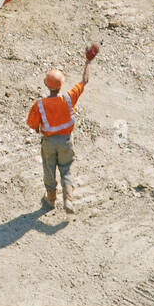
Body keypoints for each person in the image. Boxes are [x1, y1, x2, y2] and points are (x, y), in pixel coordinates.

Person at [26, 43, 98, 214]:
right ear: (60, 85)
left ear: (46, 85)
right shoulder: (68, 98)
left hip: (49, 143)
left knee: (49, 170)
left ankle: (51, 200)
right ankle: (68, 200)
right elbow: (84, 81)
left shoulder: (40, 105)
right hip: (66, 141)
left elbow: (32, 125)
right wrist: (88, 62)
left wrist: (40, 131)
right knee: (66, 168)